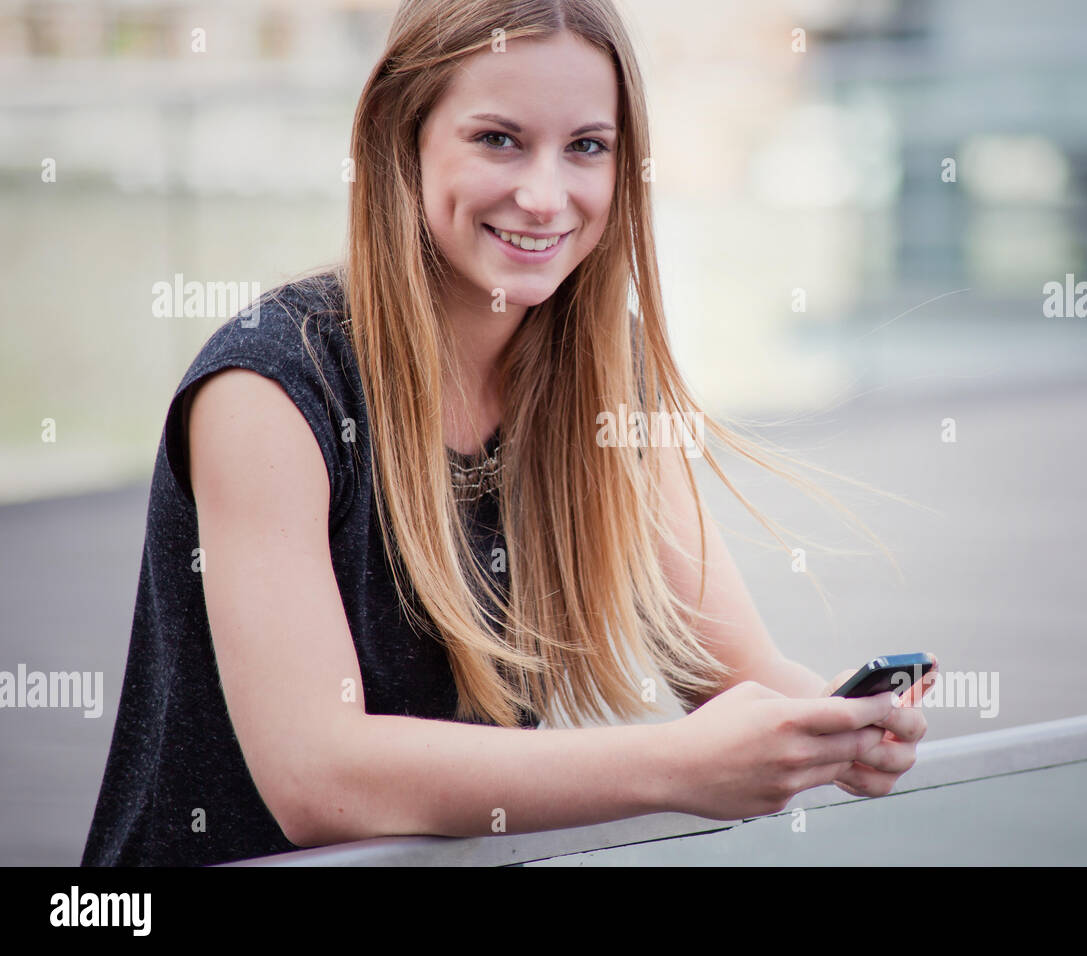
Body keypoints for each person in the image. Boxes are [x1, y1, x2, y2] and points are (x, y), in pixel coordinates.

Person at [81, 0, 934, 867]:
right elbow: (318, 779)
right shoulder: (269, 383)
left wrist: (837, 720)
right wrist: (672, 766)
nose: (543, 194)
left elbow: (734, 672)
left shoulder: (605, 373)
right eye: (498, 139)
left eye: (587, 147)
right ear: (401, 136)